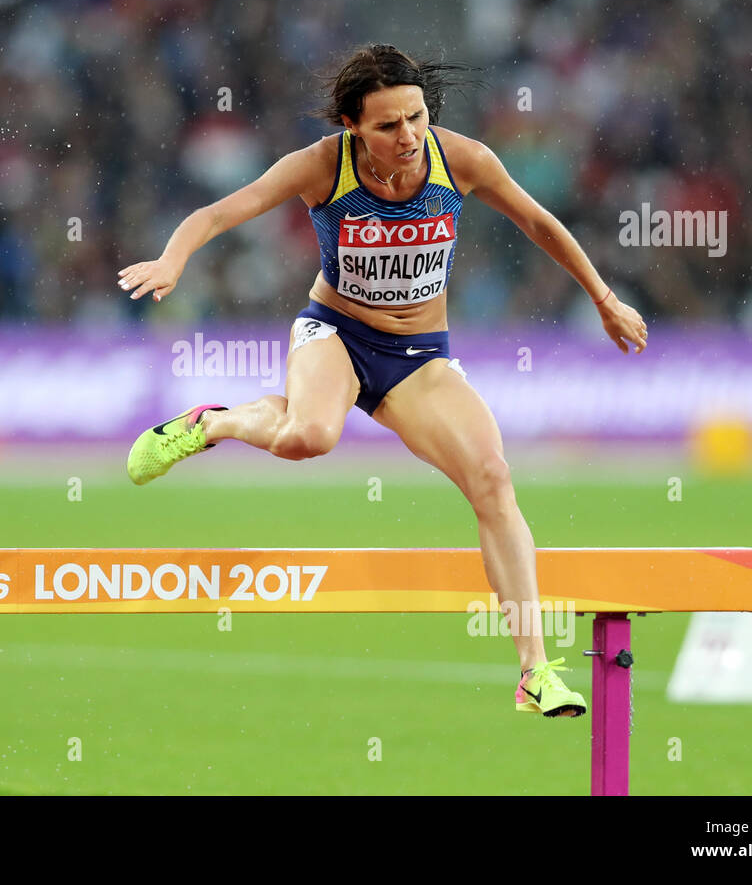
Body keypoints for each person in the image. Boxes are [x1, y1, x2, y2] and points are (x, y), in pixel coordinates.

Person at [119, 44, 648, 717]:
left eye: (416, 118)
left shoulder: (464, 160)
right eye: (388, 126)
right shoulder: (322, 166)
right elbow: (221, 212)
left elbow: (540, 223)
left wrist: (604, 298)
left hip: (420, 355)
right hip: (337, 335)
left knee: (492, 476)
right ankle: (212, 423)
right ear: (351, 126)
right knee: (309, 436)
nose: (407, 137)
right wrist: (172, 260)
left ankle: (534, 672)